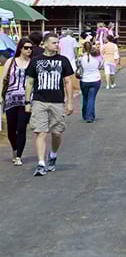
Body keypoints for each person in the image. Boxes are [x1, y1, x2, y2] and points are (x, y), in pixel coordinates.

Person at [24, 33, 75, 177]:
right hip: (39, 100)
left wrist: (70, 102)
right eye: (53, 42)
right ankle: (41, 163)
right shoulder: (35, 61)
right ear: (45, 44)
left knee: (57, 132)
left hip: (57, 101)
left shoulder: (63, 60)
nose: (56, 45)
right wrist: (27, 102)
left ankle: (53, 154)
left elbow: (68, 82)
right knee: (40, 132)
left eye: (57, 42)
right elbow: (30, 82)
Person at [1, 38, 33, 165]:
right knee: (11, 129)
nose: (29, 50)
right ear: (20, 48)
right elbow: (3, 79)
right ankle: (14, 148)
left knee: (22, 128)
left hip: (26, 99)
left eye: (31, 48)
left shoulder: (33, 63)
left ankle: (19, 155)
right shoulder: (11, 61)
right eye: (26, 47)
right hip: (10, 98)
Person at [78, 40, 103, 122]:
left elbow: (78, 67)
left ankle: (85, 114)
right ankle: (90, 116)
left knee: (85, 97)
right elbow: (100, 65)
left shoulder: (81, 58)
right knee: (91, 98)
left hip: (84, 80)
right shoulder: (97, 57)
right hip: (95, 79)